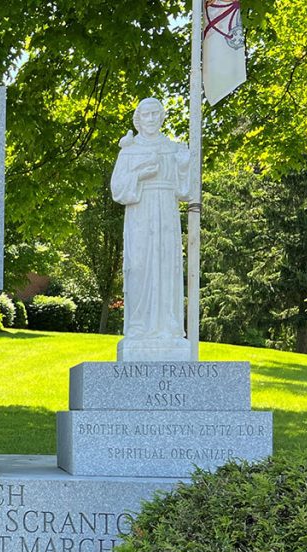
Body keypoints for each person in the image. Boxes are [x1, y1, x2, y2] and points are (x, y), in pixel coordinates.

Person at [111, 98, 191, 361]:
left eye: (156, 113)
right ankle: (139, 327)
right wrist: (140, 175)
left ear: (162, 117)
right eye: (145, 114)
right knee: (140, 267)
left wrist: (182, 164)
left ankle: (169, 327)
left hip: (166, 214)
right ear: (138, 118)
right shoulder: (129, 151)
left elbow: (184, 191)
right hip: (140, 214)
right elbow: (118, 190)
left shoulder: (172, 148)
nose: (151, 118)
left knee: (167, 267)